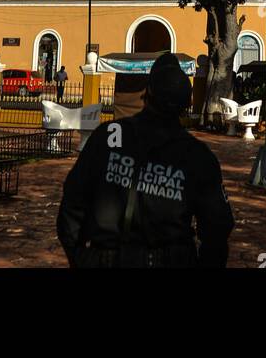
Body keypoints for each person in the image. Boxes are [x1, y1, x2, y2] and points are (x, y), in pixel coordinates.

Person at [56, 52, 234, 268]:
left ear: (147, 93)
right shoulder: (198, 157)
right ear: (186, 104)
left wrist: (79, 257)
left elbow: (72, 205)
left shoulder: (108, 137)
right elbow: (217, 230)